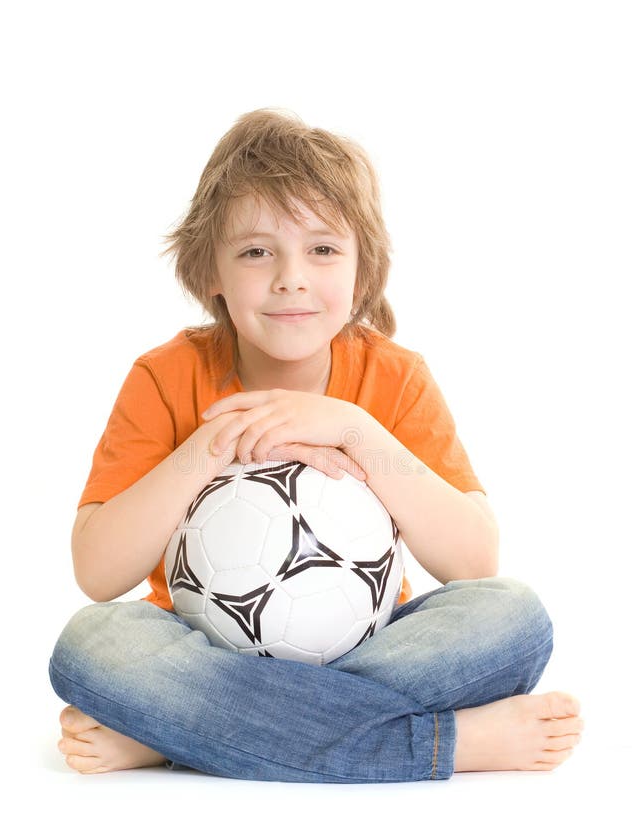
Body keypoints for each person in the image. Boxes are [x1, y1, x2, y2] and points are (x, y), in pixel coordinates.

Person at [49, 108, 584, 781]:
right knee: (90, 644)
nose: (291, 277)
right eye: (255, 251)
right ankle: (446, 744)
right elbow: (97, 572)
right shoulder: (165, 378)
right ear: (208, 271)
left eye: (323, 249)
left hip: (372, 642)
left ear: (362, 274)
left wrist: (352, 430)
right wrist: (214, 446)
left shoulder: (395, 377)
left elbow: (475, 560)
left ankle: (186, 733)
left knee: (516, 617)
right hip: (202, 649)